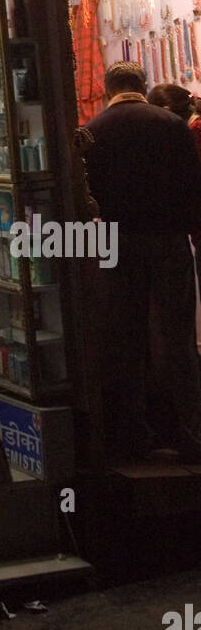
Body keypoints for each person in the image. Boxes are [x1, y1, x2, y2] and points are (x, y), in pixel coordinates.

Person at [79, 62, 201, 461]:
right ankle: (189, 429)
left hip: (117, 243)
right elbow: (191, 186)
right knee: (177, 338)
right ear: (143, 85)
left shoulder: (93, 130)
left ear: (106, 87)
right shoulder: (171, 125)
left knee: (126, 339)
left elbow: (89, 198)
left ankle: (135, 433)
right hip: (167, 241)